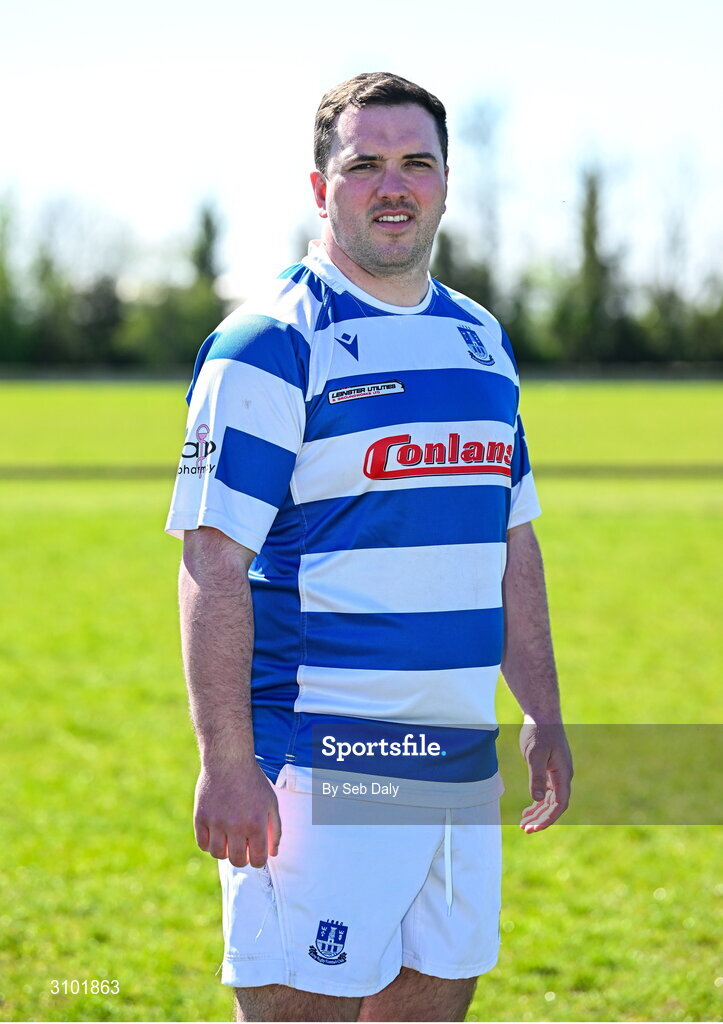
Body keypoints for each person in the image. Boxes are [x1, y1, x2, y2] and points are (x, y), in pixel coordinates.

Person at [165, 71, 573, 1023]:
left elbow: (510, 538)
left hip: (458, 756)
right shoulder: (268, 342)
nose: (394, 185)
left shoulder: (480, 339)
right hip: (319, 758)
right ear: (320, 188)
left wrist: (541, 710)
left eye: (415, 163)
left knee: (438, 999)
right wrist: (227, 759)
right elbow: (212, 561)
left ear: (443, 182)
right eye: (365, 165)